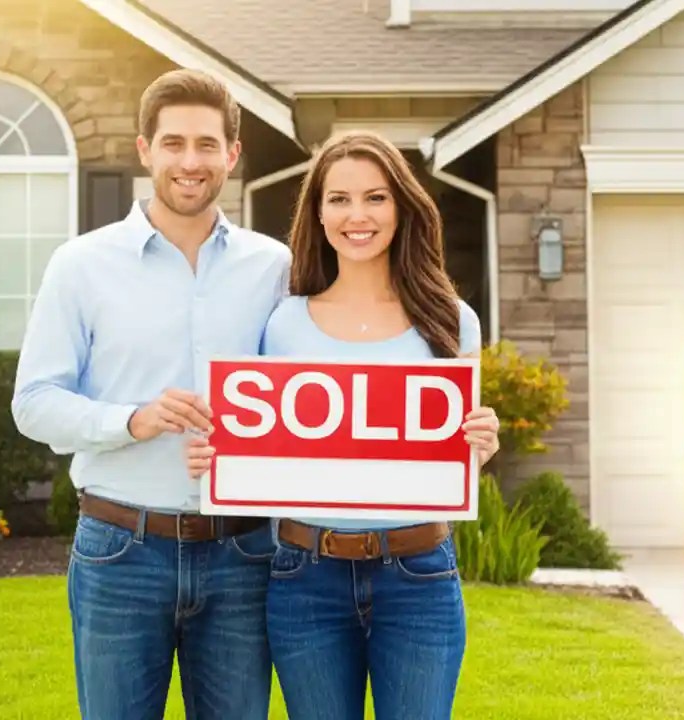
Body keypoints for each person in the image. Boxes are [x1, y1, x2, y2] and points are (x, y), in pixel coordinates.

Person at [187, 130, 500, 720]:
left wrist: (478, 443)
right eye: (339, 199)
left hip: (419, 576)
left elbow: (451, 457)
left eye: (376, 198)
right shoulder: (282, 325)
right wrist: (217, 456)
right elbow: (262, 443)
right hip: (306, 576)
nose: (357, 215)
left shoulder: (451, 322)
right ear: (319, 213)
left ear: (403, 207)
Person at [11, 69, 288, 720]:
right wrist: (131, 420)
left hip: (245, 553)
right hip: (121, 549)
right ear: (145, 150)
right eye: (173, 144)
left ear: (232, 155)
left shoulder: (276, 269)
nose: (189, 162)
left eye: (206, 145)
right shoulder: (81, 265)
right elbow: (33, 401)